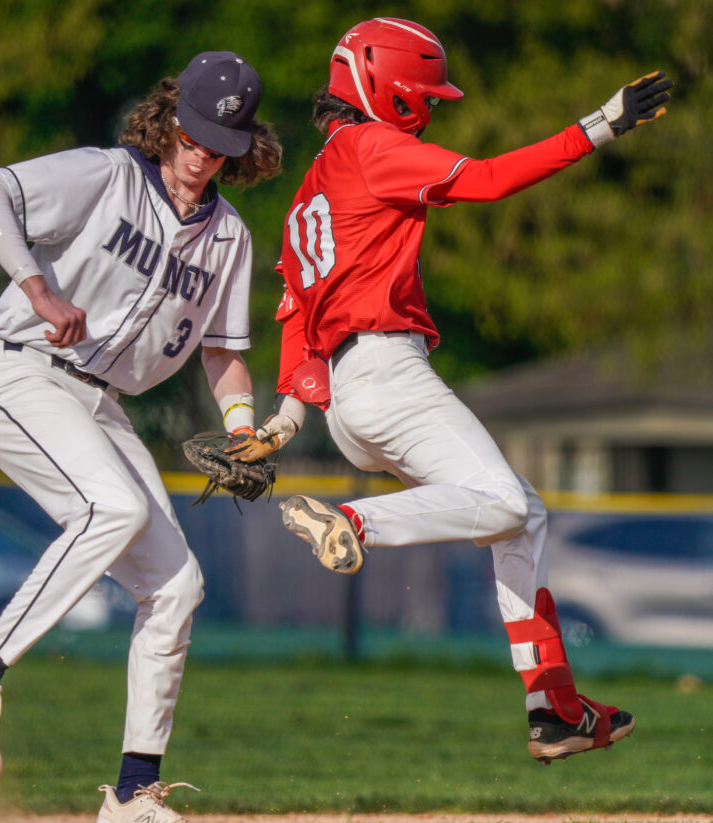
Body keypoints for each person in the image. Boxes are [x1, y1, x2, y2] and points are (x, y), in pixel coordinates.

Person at [229, 18, 672, 765]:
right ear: (385, 88)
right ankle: (352, 521)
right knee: (503, 503)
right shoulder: (373, 147)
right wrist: (601, 124)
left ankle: (554, 708)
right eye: (424, 93)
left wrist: (284, 420)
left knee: (522, 515)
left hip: (346, 399)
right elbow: (489, 180)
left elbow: (297, 315)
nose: (430, 107)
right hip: (387, 375)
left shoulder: (312, 189)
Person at [0, 51, 281, 823]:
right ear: (170, 121)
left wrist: (243, 430)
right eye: (192, 136)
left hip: (101, 405)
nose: (201, 156)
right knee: (113, 508)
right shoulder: (108, 176)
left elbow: (222, 352)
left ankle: (132, 799)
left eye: (219, 144)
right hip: (23, 372)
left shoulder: (228, 236)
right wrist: (36, 287)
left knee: (177, 586)